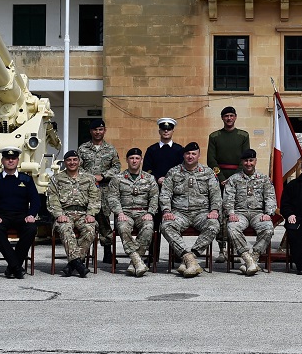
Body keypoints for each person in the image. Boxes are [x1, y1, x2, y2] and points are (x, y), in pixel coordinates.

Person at [160, 142, 221, 277]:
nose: (190, 156)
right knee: (166, 225)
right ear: (183, 155)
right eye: (188, 153)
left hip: (201, 213)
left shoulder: (208, 172)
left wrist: (215, 210)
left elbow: (215, 194)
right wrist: (166, 211)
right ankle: (187, 257)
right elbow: (165, 194)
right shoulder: (173, 172)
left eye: (193, 154)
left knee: (214, 225)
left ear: (199, 155)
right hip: (179, 213)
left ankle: (190, 257)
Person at [0, 148, 40, 279]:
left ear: (18, 160)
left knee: (31, 228)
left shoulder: (26, 179)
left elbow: (36, 201)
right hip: (1, 216)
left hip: (21, 215)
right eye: (7, 158)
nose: (10, 160)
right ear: (2, 161)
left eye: (13, 158)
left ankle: (12, 266)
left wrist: (31, 215)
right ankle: (16, 266)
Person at [222, 148, 276, 276]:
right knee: (232, 227)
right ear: (242, 162)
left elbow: (270, 197)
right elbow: (228, 198)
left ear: (255, 161)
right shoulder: (234, 179)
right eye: (246, 161)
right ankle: (247, 257)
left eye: (251, 160)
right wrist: (231, 213)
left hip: (258, 214)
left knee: (268, 228)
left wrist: (268, 213)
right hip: (239, 213)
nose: (248, 163)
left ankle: (254, 256)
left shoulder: (263, 179)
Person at [48, 149, 101, 278]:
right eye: (69, 160)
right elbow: (52, 199)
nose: (72, 162)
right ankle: (78, 264)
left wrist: (91, 213)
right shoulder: (56, 178)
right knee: (65, 228)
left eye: (74, 160)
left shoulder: (89, 178)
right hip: (65, 213)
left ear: (79, 162)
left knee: (90, 229)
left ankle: (73, 264)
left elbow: (95, 197)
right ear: (64, 162)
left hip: (84, 213)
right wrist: (59, 214)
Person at [207, 106, 250, 262]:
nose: (229, 118)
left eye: (231, 115)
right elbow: (211, 160)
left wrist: (234, 178)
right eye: (226, 116)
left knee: (236, 213)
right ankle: (222, 250)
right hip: (219, 178)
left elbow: (245, 159)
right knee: (220, 213)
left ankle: (237, 249)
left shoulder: (243, 136)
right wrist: (221, 178)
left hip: (238, 178)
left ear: (236, 117)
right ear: (222, 118)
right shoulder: (215, 136)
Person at [109, 148, 159, 277]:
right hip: (125, 213)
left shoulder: (149, 178)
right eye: (131, 158)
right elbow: (113, 197)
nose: (134, 161)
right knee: (123, 227)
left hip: (143, 213)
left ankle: (134, 262)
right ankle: (138, 260)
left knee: (148, 227)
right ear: (127, 160)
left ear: (141, 160)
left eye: (137, 158)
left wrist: (151, 212)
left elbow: (154, 197)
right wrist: (119, 213)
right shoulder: (118, 178)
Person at [77, 118, 120, 264]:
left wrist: (103, 176)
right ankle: (82, 254)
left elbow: (116, 168)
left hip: (105, 190)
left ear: (104, 131)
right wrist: (90, 177)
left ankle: (108, 253)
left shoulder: (111, 149)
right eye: (95, 130)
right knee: (86, 219)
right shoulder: (83, 149)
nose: (98, 132)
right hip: (87, 191)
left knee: (105, 221)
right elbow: (77, 167)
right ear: (91, 131)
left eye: (100, 129)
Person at [143, 118, 185, 186]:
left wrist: (169, 179)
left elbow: (182, 169)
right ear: (159, 131)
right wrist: (157, 178)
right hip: (155, 187)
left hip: (174, 187)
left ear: (172, 131)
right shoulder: (152, 150)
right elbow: (147, 169)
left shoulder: (179, 150)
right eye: (163, 129)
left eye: (169, 129)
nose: (166, 131)